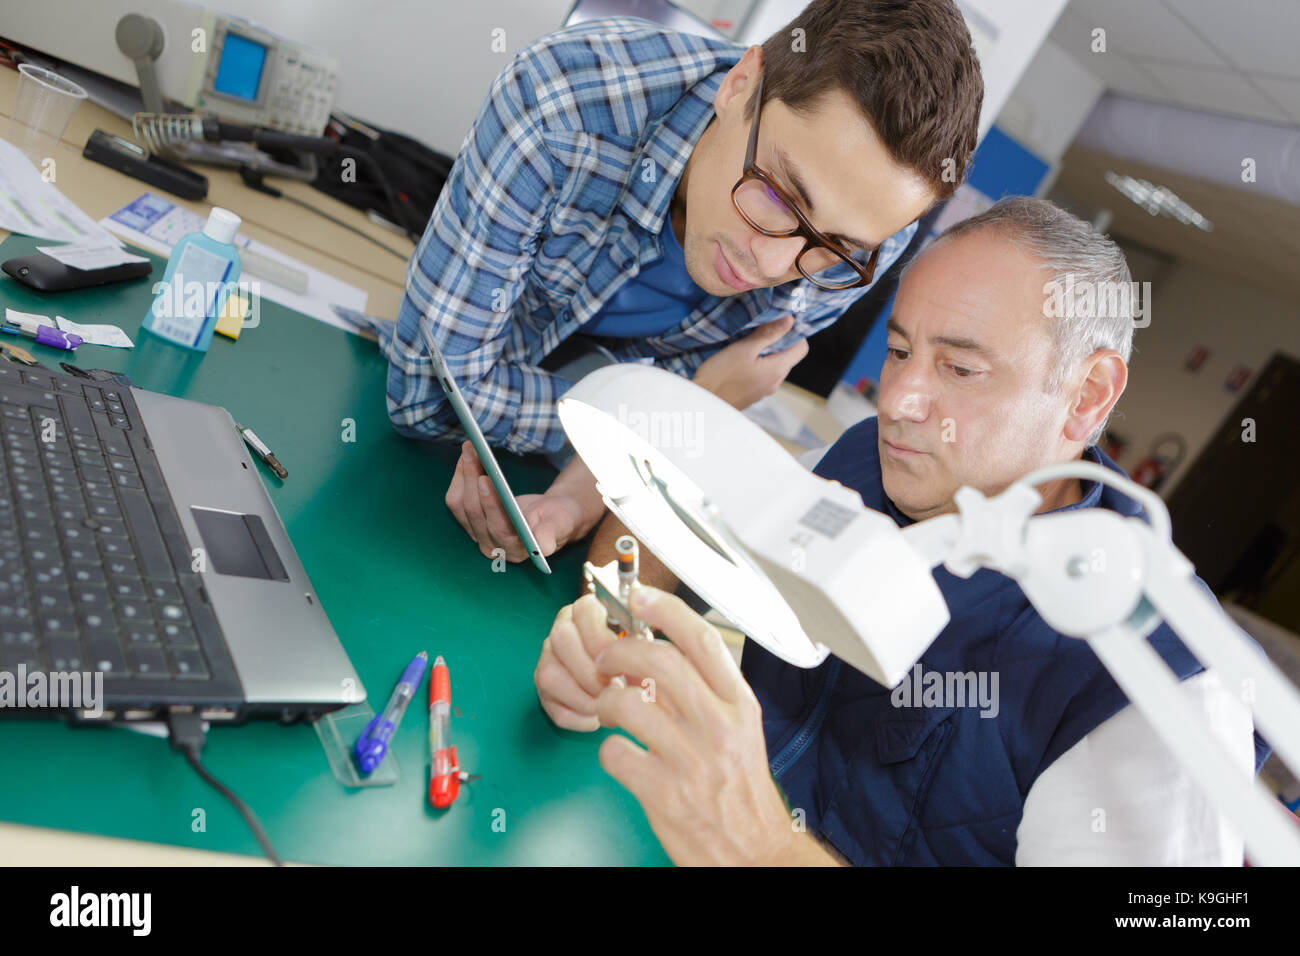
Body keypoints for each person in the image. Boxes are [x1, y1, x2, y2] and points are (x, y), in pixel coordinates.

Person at [533, 197, 1269, 865]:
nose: (901, 402)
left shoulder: (1163, 692)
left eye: (959, 368)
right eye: (900, 351)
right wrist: (613, 627)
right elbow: (686, 520)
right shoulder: (862, 464)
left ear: (1087, 395)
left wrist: (763, 846)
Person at [381, 0, 983, 563]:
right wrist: (697, 402)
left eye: (832, 247)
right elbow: (426, 396)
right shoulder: (561, 104)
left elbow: (671, 400)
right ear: (740, 85)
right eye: (778, 194)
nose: (772, 267)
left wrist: (578, 493)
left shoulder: (866, 241)